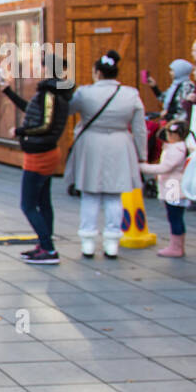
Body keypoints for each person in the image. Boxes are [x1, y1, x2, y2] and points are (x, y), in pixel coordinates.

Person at [64, 50, 146, 259]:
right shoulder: (131, 94)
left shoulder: (85, 93)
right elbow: (139, 128)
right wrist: (142, 154)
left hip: (92, 143)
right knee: (114, 196)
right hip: (120, 143)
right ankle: (112, 243)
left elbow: (68, 109)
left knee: (90, 195)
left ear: (97, 72)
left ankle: (88, 242)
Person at [0, 56, 72, 264]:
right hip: (46, 151)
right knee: (43, 202)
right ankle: (44, 244)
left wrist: (20, 131)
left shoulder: (50, 92)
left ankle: (48, 249)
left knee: (28, 204)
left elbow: (45, 124)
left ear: (48, 69)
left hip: (39, 154)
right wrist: (9, 92)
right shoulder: (56, 91)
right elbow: (33, 110)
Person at [139, 120, 191, 257]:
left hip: (173, 187)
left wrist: (143, 167)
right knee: (176, 217)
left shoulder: (176, 150)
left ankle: (176, 247)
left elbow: (164, 168)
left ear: (175, 135)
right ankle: (178, 245)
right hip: (174, 186)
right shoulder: (179, 147)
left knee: (174, 217)